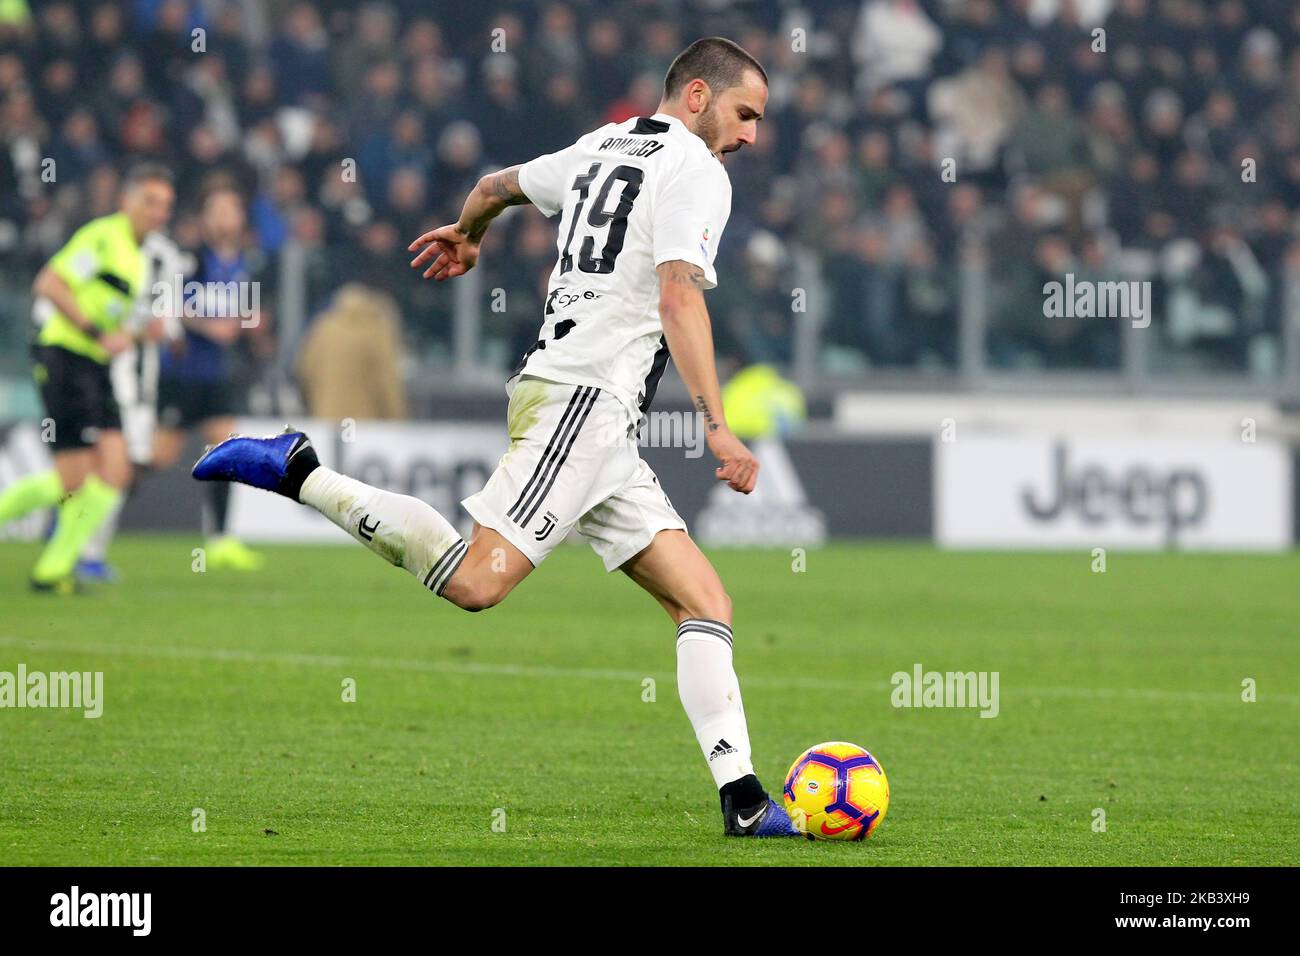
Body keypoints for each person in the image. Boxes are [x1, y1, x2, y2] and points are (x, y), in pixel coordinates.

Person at [194, 38, 794, 837]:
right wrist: (717, 426)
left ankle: (744, 802)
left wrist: (469, 234)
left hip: (594, 418)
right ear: (695, 96)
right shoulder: (696, 170)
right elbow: (679, 294)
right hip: (583, 404)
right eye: (744, 113)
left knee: (703, 601)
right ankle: (298, 470)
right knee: (477, 583)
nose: (750, 135)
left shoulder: (600, 145)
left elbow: (491, 186)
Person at [0, 163, 174, 593]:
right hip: (65, 358)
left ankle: (54, 568)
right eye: (150, 202)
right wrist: (98, 332)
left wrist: (137, 333)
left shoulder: (139, 257)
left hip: (95, 367)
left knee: (116, 470)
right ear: (127, 201)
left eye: (165, 205)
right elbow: (50, 284)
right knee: (72, 479)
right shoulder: (102, 238)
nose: (158, 213)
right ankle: (53, 566)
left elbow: (112, 324)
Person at [152, 182, 265, 571]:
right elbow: (167, 303)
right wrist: (207, 326)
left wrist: (252, 327)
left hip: (215, 377)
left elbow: (242, 317)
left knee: (225, 451)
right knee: (153, 457)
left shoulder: (242, 263)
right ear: (204, 217)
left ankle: (219, 540)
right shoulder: (190, 259)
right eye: (216, 209)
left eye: (230, 209)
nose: (223, 217)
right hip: (179, 376)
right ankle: (87, 510)